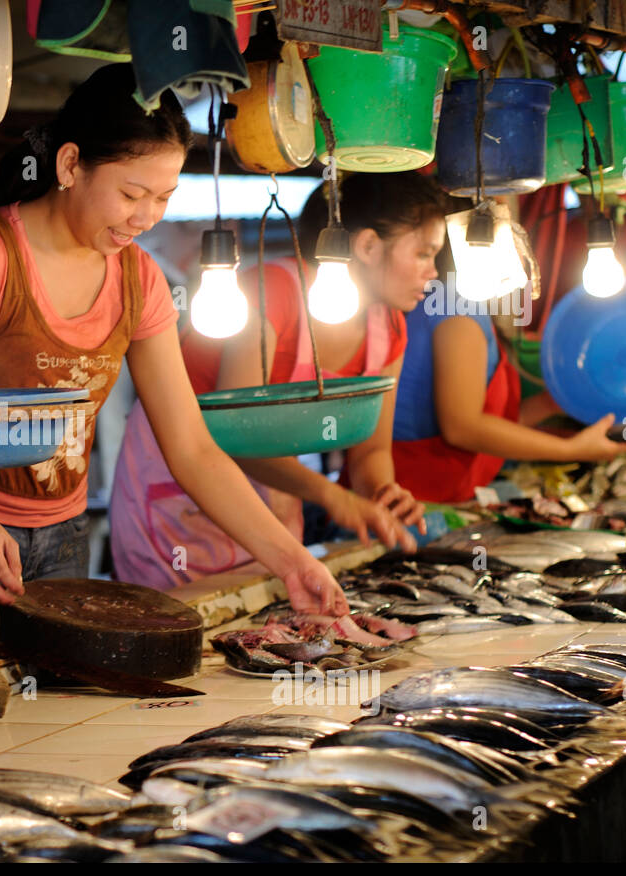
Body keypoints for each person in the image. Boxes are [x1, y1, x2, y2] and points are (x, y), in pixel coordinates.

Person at [0, 63, 348, 638]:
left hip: (62, 536)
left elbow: (192, 448)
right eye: (130, 194)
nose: (145, 218)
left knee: (52, 715)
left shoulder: (139, 280)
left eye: (164, 198)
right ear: (70, 165)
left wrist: (293, 561)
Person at [110, 172, 442, 591]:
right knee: (176, 625)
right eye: (424, 254)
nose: (432, 273)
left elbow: (371, 450)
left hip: (275, 489)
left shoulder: (389, 328)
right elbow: (239, 439)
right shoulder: (275, 291)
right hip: (180, 484)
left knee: (272, 624)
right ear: (369, 246)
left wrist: (380, 495)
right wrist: (331, 496)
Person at [391, 234, 626, 504]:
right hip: (413, 498)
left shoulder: (463, 302)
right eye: (508, 233)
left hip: (437, 493)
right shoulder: (455, 308)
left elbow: (491, 424)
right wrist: (571, 449)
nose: (521, 248)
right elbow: (463, 428)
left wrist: (553, 403)